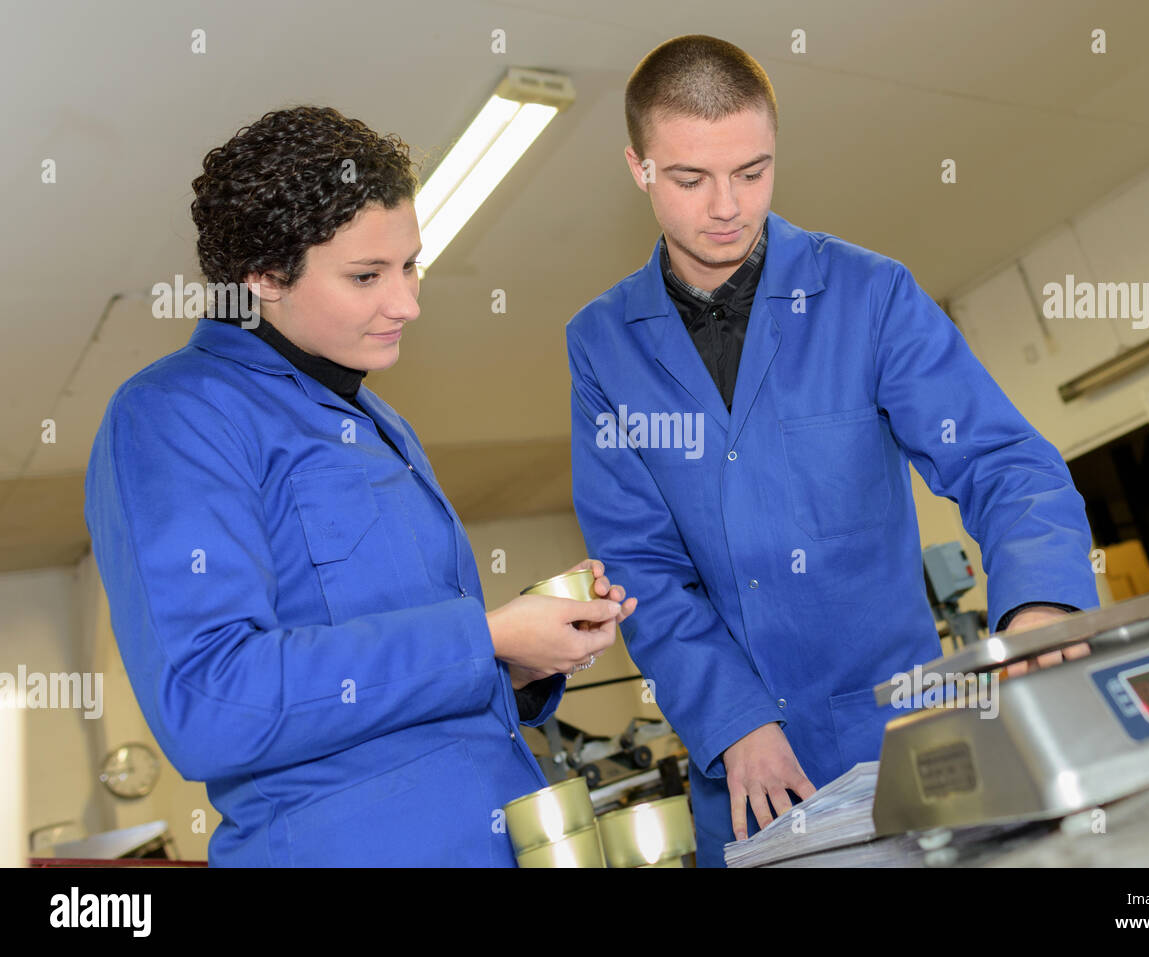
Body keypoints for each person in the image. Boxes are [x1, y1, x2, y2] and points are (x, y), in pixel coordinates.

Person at [565, 36, 1098, 868]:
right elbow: (640, 563)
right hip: (745, 781)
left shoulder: (869, 294)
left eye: (752, 171)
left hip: (909, 741)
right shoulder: (601, 345)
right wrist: (736, 719)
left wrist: (1039, 604)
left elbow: (1003, 462)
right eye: (690, 178)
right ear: (638, 168)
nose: (726, 207)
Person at [84, 105, 636, 866]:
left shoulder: (377, 417)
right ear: (264, 276)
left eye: (410, 264)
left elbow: (402, 682)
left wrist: (519, 660)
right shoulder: (173, 415)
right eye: (366, 276)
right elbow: (212, 699)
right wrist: (482, 635)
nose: (406, 302)